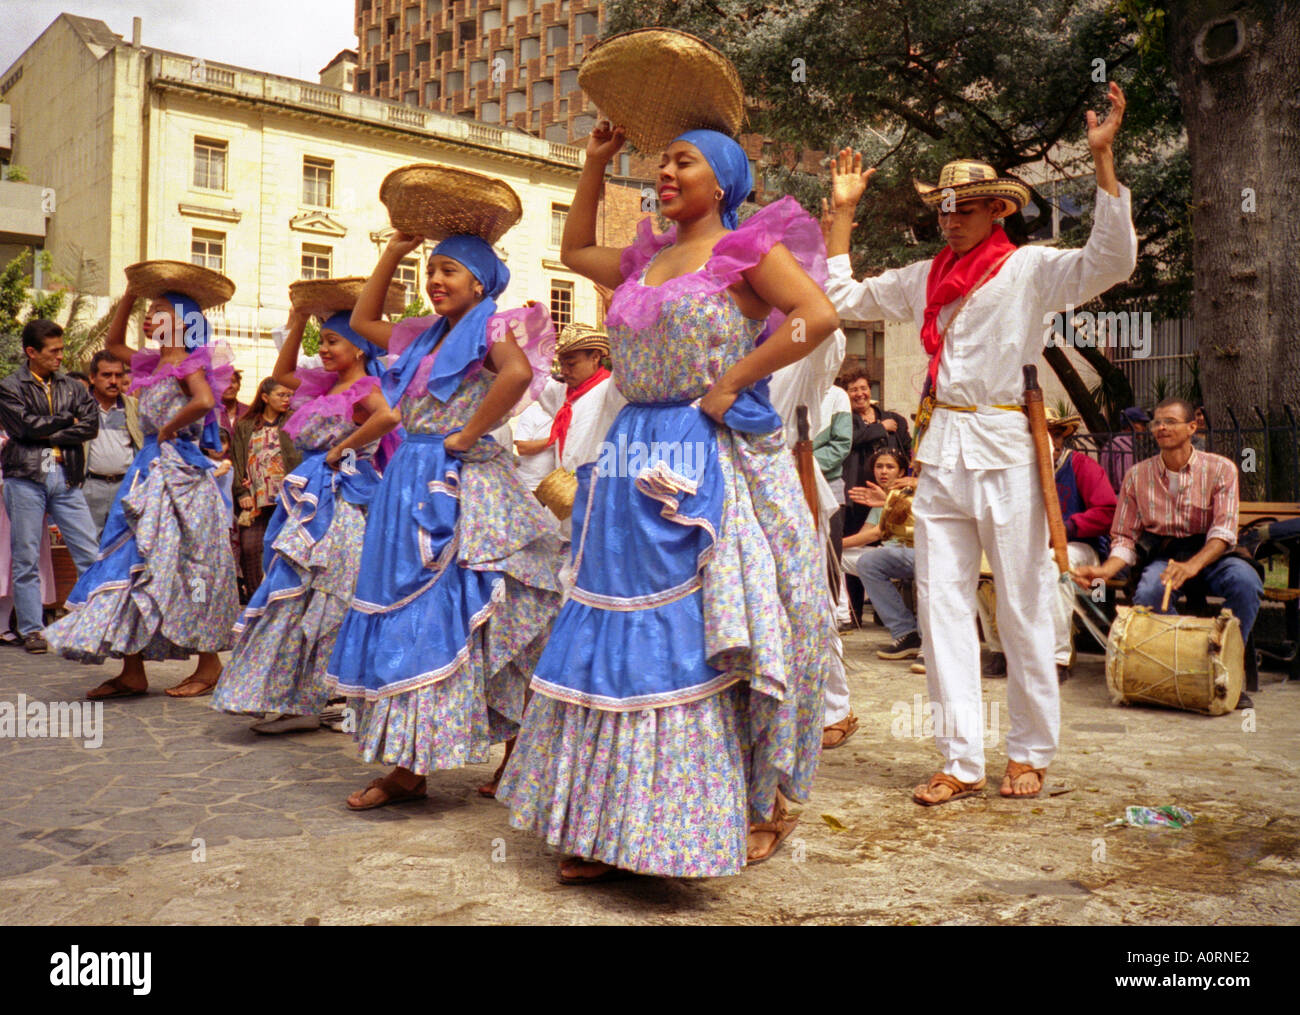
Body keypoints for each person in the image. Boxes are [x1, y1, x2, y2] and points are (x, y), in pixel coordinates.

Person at [498, 118, 840, 882]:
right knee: (610, 628)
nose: (664, 172)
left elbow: (817, 318)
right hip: (626, 459)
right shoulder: (645, 258)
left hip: (705, 454)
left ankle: (748, 806)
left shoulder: (748, 248)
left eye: (681, 161)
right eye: (660, 163)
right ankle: (600, 820)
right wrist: (594, 164)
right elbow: (571, 249)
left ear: (722, 178)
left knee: (713, 625)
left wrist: (732, 379)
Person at [823, 81, 1138, 806]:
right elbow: (843, 299)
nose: (950, 219)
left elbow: (1110, 262)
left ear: (999, 209)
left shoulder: (1029, 269)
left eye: (964, 208)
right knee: (939, 604)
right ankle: (959, 758)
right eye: (942, 208)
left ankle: (1029, 752)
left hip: (1005, 444)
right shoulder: (924, 277)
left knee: (1025, 603)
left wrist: (1103, 161)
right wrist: (842, 214)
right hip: (941, 452)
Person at [326, 191, 562, 812]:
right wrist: (394, 254)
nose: (433, 281)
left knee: (487, 611)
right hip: (412, 479)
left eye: (446, 269)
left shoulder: (492, 324)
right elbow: (363, 322)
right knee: (408, 612)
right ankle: (408, 765)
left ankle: (515, 754)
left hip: (461, 484)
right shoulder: (427, 335)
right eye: (430, 271)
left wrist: (466, 432)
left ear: (480, 280)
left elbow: (513, 375)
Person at [44, 270, 241, 697]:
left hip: (181, 473)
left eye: (159, 311)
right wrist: (131, 294)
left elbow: (205, 401)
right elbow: (112, 346)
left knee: (191, 564)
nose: (150, 317)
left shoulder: (188, 363)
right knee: (130, 560)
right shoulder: (152, 363)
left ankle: (210, 666)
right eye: (150, 312)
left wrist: (169, 428)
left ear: (181, 323)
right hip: (150, 471)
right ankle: (132, 670)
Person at [213, 297, 395, 734]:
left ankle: (335, 696)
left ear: (358, 348)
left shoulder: (365, 387)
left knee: (332, 592)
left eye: (333, 341)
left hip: (345, 498)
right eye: (323, 341)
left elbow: (390, 416)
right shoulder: (321, 386)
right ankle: (298, 695)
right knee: (297, 590)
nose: (325, 349)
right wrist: (295, 321)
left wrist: (341, 450)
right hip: (311, 494)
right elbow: (280, 375)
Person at [1074, 396, 1264, 642]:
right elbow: (1124, 538)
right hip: (1165, 556)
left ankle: (1231, 656)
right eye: (1157, 422)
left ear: (1192, 427)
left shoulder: (1221, 469)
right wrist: (1103, 571)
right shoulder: (1136, 476)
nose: (1161, 427)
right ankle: (1184, 655)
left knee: (1246, 583)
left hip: (1215, 556)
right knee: (1149, 594)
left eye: (1171, 421)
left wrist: (1191, 566)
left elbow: (1223, 532)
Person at [979, 408, 1116, 681]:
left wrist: (1065, 528)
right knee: (982, 570)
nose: (1047, 441)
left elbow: (1107, 511)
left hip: (1079, 549)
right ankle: (1000, 649)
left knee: (1051, 567)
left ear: (1058, 438)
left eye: (1051, 434)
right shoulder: (1013, 473)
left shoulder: (1081, 466)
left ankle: (1057, 658)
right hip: (1024, 547)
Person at [0, 319, 101, 653]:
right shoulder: (10, 386)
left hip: (65, 474)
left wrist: (48, 431)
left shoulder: (71, 385)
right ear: (32, 352)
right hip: (26, 477)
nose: (61, 356)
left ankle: (96, 621)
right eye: (53, 350)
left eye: (61, 349)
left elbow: (90, 425)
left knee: (89, 551)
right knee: (25, 555)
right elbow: (24, 427)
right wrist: (64, 421)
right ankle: (32, 629)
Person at [844, 449, 920, 659]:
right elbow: (867, 533)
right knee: (867, 561)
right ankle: (906, 633)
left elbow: (878, 533)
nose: (884, 472)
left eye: (890, 467)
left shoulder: (912, 490)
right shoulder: (888, 495)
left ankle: (929, 645)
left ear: (903, 470)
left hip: (928, 550)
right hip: (896, 552)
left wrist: (832, 544)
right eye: (879, 467)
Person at [230, 378, 299, 597]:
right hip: (255, 498)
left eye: (289, 395)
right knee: (250, 548)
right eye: (281, 395)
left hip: (287, 497)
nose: (287, 400)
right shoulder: (245, 424)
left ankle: (282, 598)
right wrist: (241, 492)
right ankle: (253, 599)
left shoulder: (293, 421)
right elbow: (238, 459)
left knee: (284, 549)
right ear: (265, 397)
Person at [0, 432, 59, 643]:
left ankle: (27, 625)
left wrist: (49, 489)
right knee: (5, 562)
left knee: (24, 560)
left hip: (32, 499)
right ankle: (6, 625)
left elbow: (48, 455)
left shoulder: (39, 430)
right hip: (8, 498)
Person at [82, 350, 144, 536]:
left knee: (123, 548)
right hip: (90, 487)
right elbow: (51, 446)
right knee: (88, 551)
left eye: (119, 375)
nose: (113, 381)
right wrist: (50, 480)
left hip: (126, 487)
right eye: (107, 375)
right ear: (93, 378)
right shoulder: (78, 407)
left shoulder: (134, 407)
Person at [1102, 405, 1148, 490]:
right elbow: (1126, 482)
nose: (1144, 428)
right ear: (1130, 425)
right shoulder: (1125, 447)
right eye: (1142, 424)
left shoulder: (1114, 442)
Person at [218, 369, 248, 434]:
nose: (229, 386)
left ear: (239, 386)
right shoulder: (211, 413)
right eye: (225, 382)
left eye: (233, 382)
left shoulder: (248, 412)